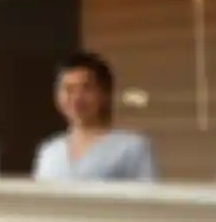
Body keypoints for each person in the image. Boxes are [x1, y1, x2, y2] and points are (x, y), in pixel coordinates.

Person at [33, 52, 157, 182]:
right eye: (68, 89)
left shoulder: (132, 147)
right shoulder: (49, 151)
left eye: (86, 88)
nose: (77, 98)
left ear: (105, 94)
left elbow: (147, 198)